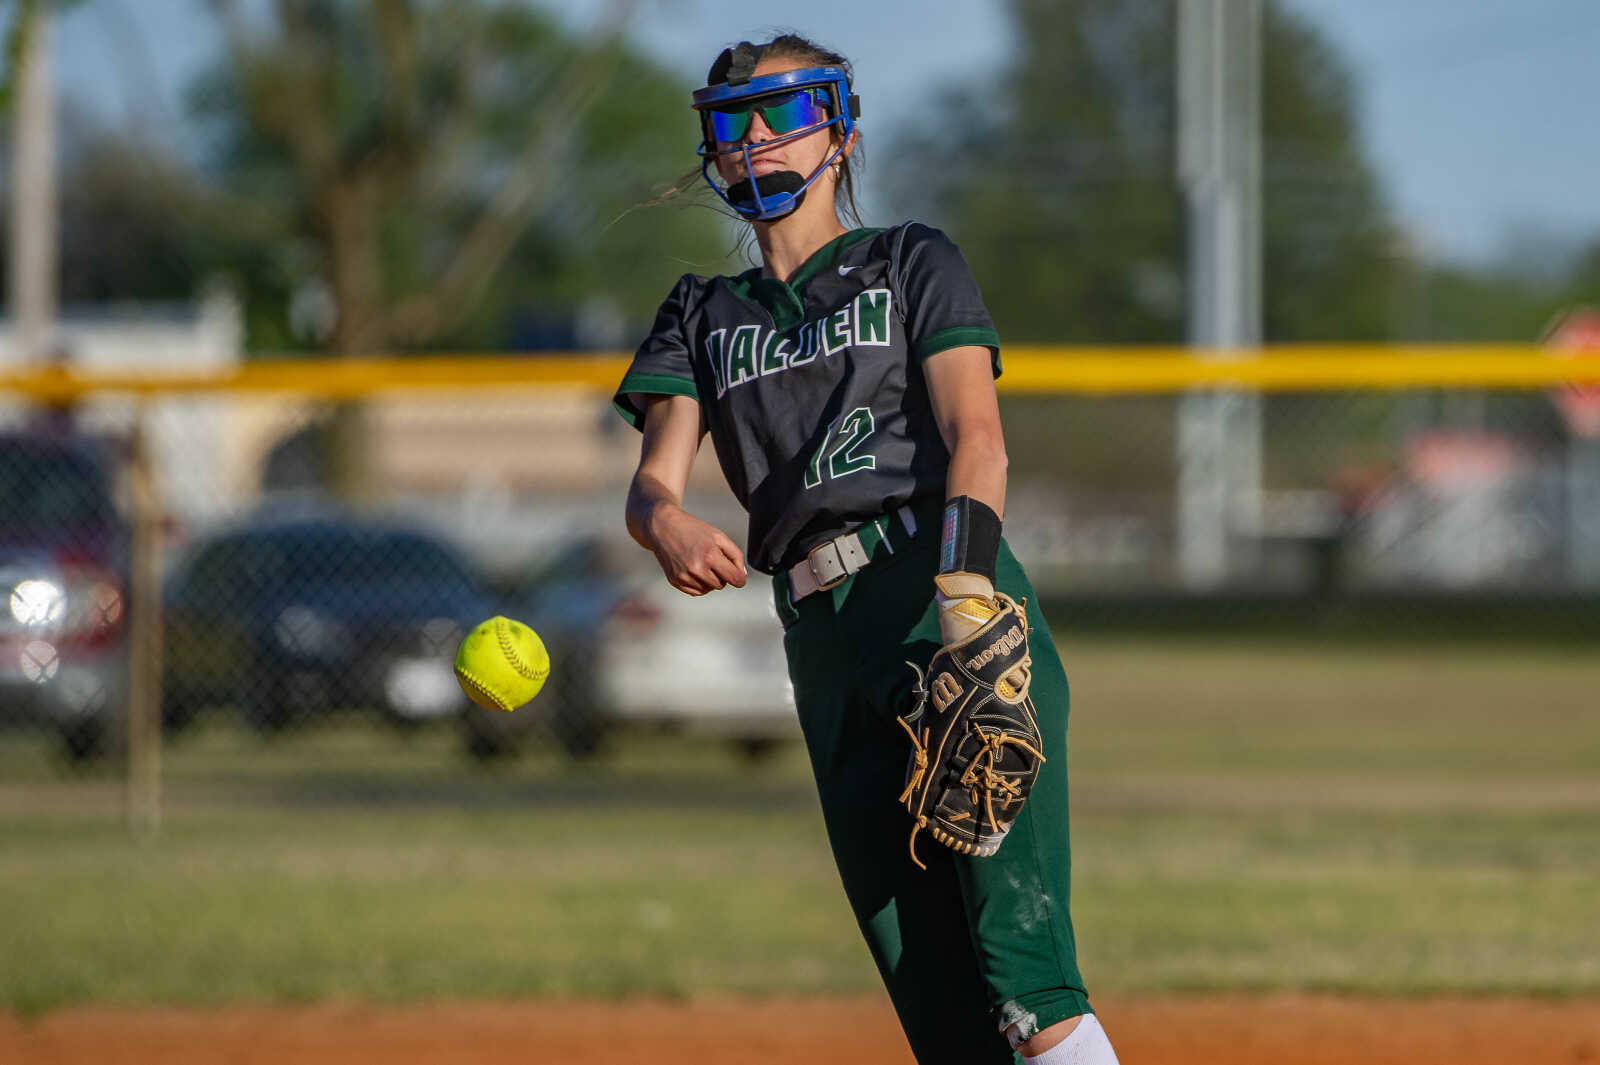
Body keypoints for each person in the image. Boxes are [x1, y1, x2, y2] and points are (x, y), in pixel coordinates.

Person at [613, 34, 1120, 1065]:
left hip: (938, 597)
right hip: (821, 640)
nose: (757, 137)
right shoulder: (702, 312)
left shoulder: (910, 259)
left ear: (840, 133)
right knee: (936, 1006)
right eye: (734, 119)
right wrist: (663, 521)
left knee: (1026, 978)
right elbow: (652, 483)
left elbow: (977, 438)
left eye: (785, 113)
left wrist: (967, 593)